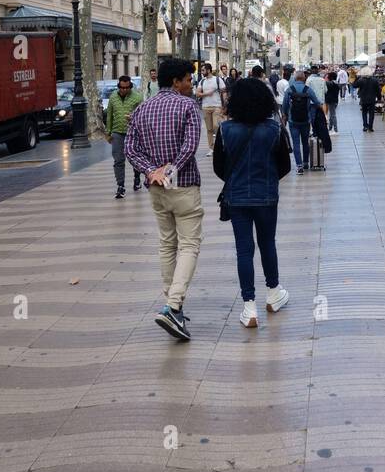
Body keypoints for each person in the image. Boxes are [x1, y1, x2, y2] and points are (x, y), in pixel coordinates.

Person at [125, 58, 204, 342]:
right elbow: (190, 145)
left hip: (156, 189)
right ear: (176, 81)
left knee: (167, 244)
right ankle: (173, 306)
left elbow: (129, 147)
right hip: (183, 185)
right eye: (188, 79)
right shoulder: (188, 107)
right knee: (189, 245)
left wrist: (151, 171)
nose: (190, 84)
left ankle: (174, 307)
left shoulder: (142, 108)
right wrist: (171, 170)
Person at [213, 79, 292, 328]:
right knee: (268, 243)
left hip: (237, 198)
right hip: (267, 196)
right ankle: (273, 292)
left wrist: (236, 180)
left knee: (244, 250)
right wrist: (268, 179)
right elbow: (285, 165)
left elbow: (219, 167)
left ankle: (249, 307)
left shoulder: (225, 130)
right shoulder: (274, 128)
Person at [104, 75, 144, 197]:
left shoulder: (137, 97)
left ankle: (137, 179)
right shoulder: (113, 97)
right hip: (117, 133)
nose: (125, 90)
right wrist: (108, 132)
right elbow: (109, 115)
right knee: (118, 160)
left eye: (127, 87)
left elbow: (142, 116)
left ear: (130, 86)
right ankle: (120, 186)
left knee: (134, 158)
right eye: (122, 87)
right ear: (119, 86)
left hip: (133, 133)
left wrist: (134, 120)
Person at [281, 69, 321, 174]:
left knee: (296, 143)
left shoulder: (290, 89)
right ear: (304, 78)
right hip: (305, 120)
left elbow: (285, 104)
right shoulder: (308, 89)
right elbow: (317, 102)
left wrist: (285, 114)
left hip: (293, 121)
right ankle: (306, 163)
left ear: (295, 78)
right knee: (305, 142)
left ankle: (299, 166)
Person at [197, 62, 227, 156]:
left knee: (216, 126)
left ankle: (220, 145)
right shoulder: (202, 81)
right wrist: (207, 94)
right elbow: (197, 94)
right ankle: (211, 148)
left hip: (217, 106)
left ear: (208, 70)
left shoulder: (217, 80)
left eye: (203, 70)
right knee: (209, 129)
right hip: (205, 107)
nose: (202, 72)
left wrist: (224, 104)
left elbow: (224, 92)